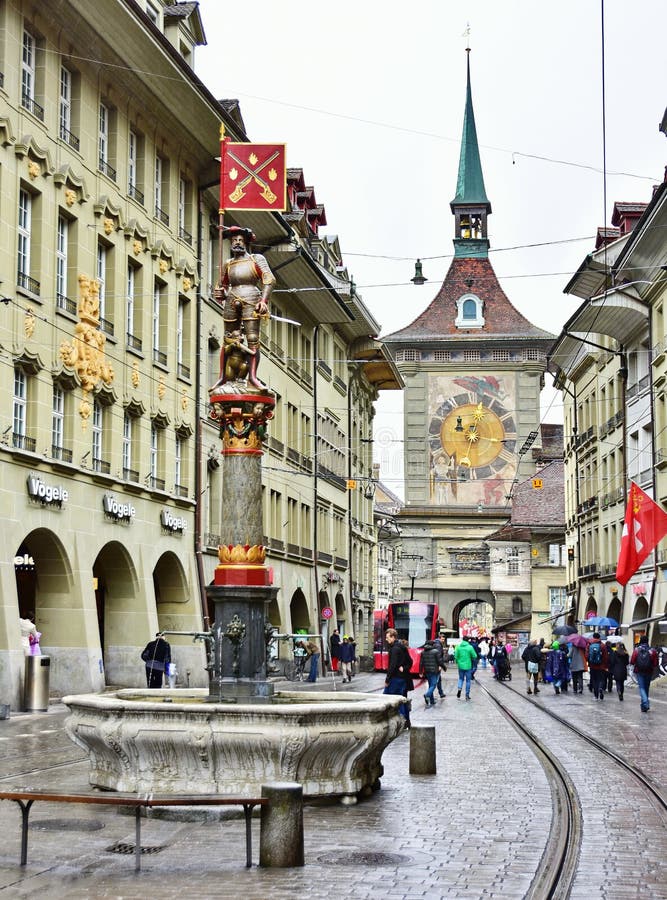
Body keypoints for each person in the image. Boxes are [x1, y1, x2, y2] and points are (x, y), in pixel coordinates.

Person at [211, 226, 276, 390]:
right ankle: (223, 377)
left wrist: (263, 300)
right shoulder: (228, 263)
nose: (237, 243)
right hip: (232, 298)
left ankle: (252, 377)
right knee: (228, 338)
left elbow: (269, 279)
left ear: (246, 242)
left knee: (252, 337)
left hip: (251, 297)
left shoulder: (256, 259)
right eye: (234, 241)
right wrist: (220, 292)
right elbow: (222, 285)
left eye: (240, 240)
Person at [383, 628, 413, 727]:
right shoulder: (402, 647)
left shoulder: (395, 649)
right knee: (402, 700)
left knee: (386, 698)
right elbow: (410, 662)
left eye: (387, 637)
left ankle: (399, 720)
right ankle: (407, 721)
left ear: (393, 637)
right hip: (404, 679)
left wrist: (387, 679)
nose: (386, 639)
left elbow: (392, 665)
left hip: (396, 679)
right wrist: (404, 668)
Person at [630, 635, 659, 712]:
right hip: (649, 671)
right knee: (646, 688)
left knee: (641, 687)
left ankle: (645, 702)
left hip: (639, 671)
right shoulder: (652, 650)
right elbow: (656, 663)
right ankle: (644, 707)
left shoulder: (636, 650)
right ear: (647, 641)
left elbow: (632, 661)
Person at [420, 639, 446, 706]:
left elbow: (421, 663)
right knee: (433, 685)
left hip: (427, 671)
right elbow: (439, 661)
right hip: (435, 671)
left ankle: (431, 700)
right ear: (432, 645)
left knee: (430, 685)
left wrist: (420, 672)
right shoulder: (435, 651)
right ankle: (427, 695)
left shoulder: (423, 652)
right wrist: (444, 667)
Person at [585, 632, 608, 700]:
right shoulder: (603, 645)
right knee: (600, 679)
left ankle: (596, 696)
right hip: (601, 666)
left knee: (594, 680)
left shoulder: (589, 645)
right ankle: (600, 688)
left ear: (593, 637)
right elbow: (606, 657)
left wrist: (589, 661)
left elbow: (586, 656)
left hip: (592, 666)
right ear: (599, 637)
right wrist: (605, 666)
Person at [454, 635, 478, 700]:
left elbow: (455, 656)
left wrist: (458, 662)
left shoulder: (458, 647)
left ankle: (459, 689)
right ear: (468, 640)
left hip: (460, 666)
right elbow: (475, 656)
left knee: (461, 679)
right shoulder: (470, 647)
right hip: (468, 666)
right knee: (468, 681)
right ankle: (467, 695)